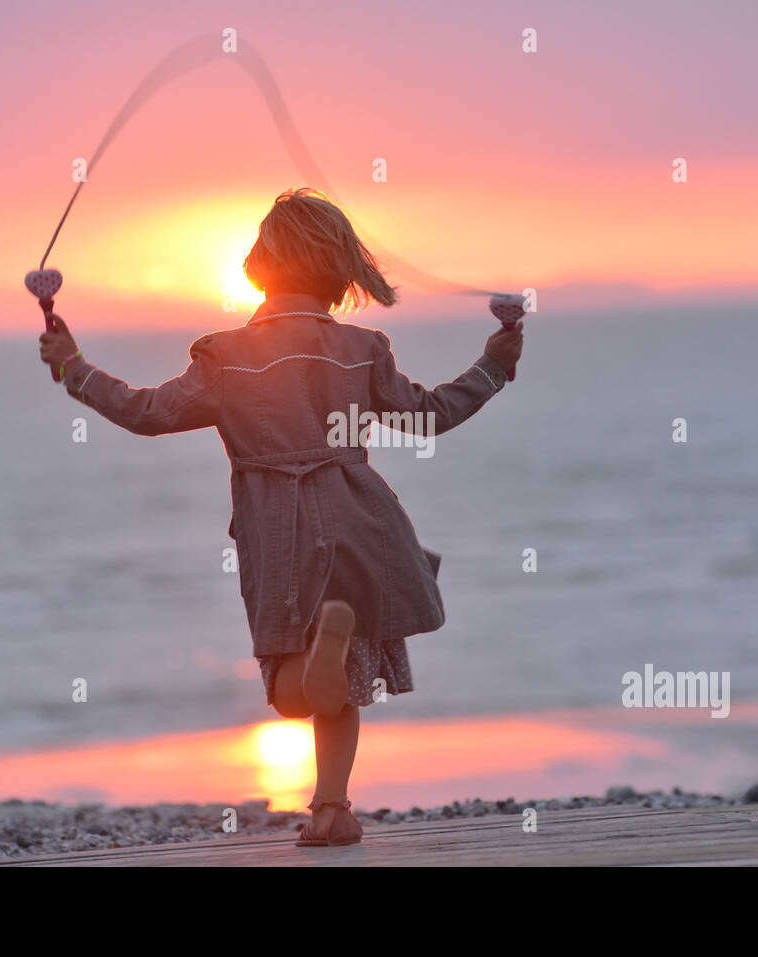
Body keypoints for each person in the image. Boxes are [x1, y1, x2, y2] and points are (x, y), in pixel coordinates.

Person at [38, 187, 524, 846]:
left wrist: (74, 368)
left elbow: (146, 413)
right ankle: (333, 807)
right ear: (341, 271)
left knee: (291, 688)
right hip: (360, 516)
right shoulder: (362, 349)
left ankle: (327, 767)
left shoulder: (225, 355)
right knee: (347, 681)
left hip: (277, 525)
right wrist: (492, 368)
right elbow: (429, 414)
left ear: (260, 264)